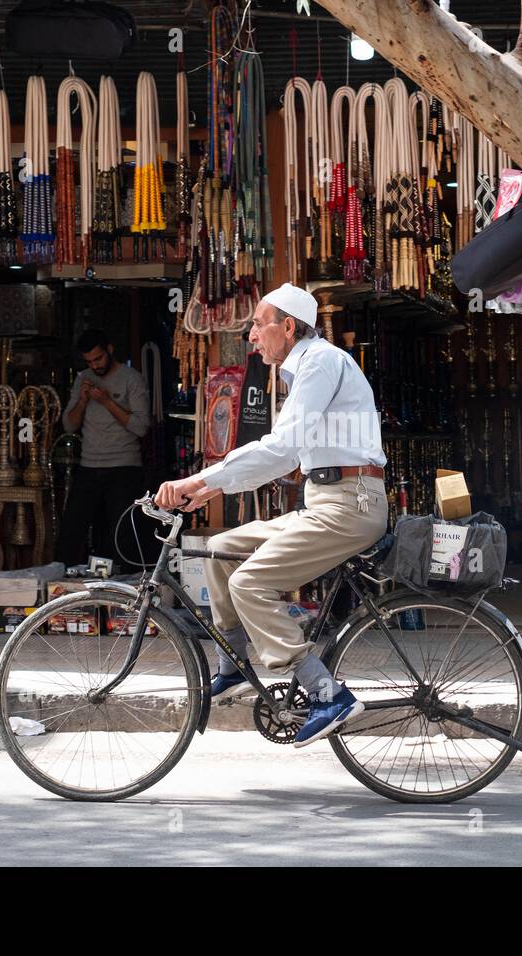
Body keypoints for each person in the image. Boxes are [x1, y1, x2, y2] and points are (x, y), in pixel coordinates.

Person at [154, 283, 388, 748]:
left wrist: (199, 480)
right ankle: (234, 665)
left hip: (350, 505)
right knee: (220, 550)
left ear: (287, 326)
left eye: (259, 325)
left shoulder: (320, 361)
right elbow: (284, 459)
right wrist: (210, 487)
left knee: (249, 583)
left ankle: (327, 693)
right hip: (327, 502)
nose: (252, 336)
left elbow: (279, 448)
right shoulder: (302, 369)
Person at [54, 329, 151, 569]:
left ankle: (127, 592)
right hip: (89, 465)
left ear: (109, 350)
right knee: (72, 529)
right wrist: (84, 400)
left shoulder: (131, 378)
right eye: (89, 361)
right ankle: (63, 588)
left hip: (124, 467)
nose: (95, 366)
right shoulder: (83, 378)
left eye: (98, 359)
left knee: (121, 534)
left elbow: (141, 427)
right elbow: (69, 425)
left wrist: (107, 401)